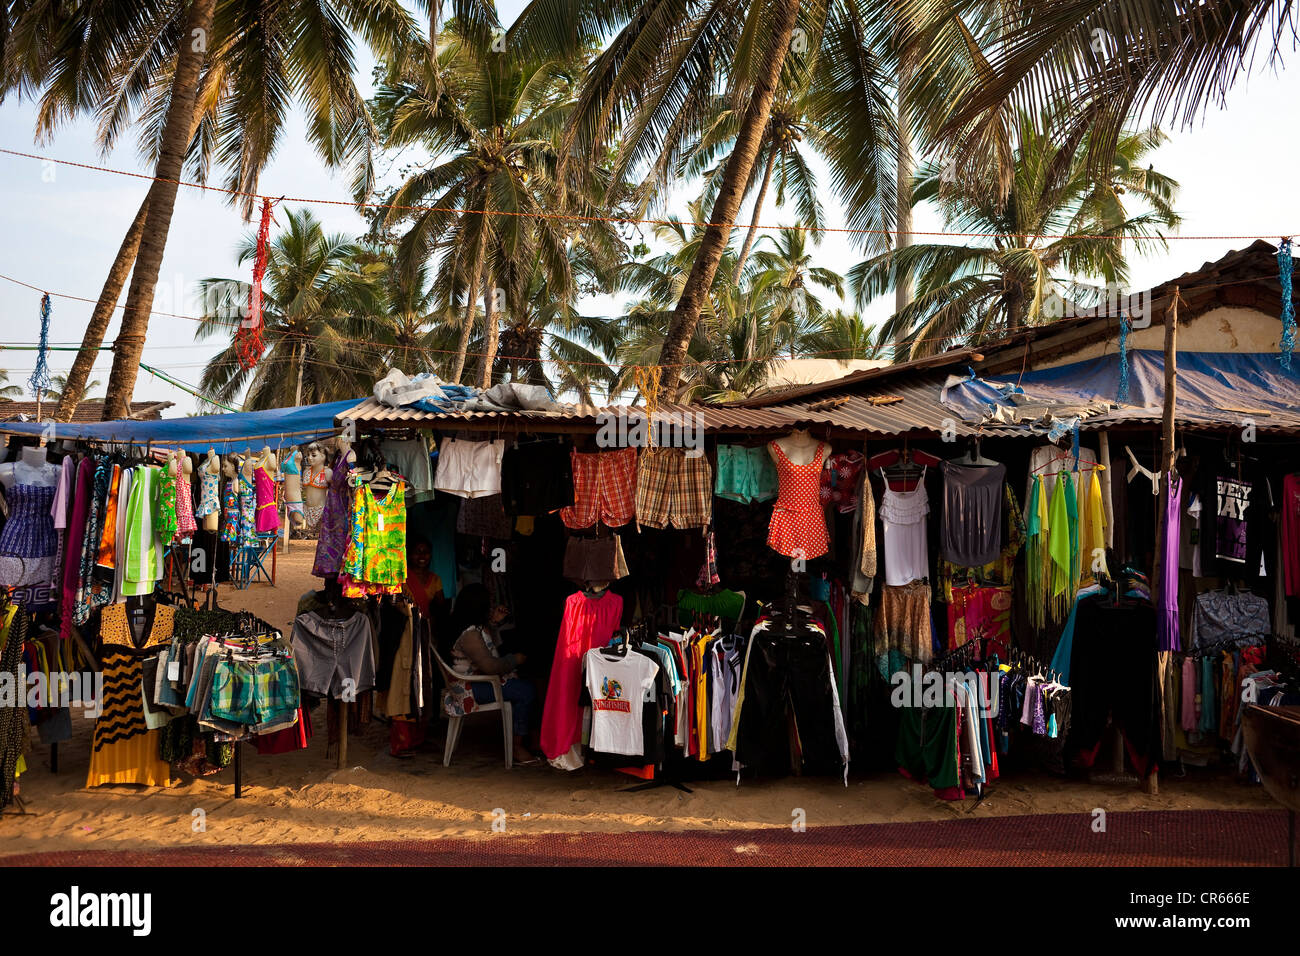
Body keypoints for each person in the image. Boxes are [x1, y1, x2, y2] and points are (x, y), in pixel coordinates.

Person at [447, 583, 537, 764]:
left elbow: (489, 648)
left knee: (526, 685)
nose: (491, 607)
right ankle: (517, 747)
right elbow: (490, 666)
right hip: (470, 689)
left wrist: (493, 623)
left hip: (477, 682)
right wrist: (514, 660)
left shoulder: (472, 627)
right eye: (488, 604)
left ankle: (528, 738)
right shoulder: (470, 635)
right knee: (526, 691)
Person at [404, 536, 445, 619]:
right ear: (410, 555)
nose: (422, 555)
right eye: (417, 552)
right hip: (404, 623)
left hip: (425, 623)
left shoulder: (435, 579)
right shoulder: (402, 577)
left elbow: (441, 607)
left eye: (426, 552)